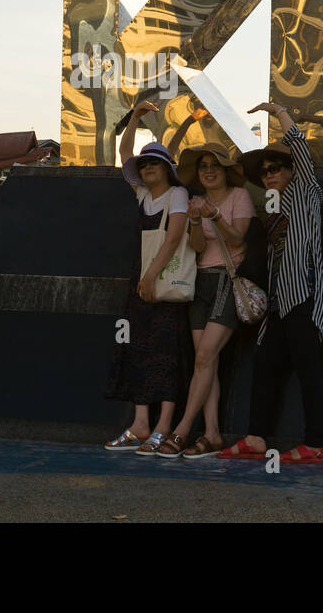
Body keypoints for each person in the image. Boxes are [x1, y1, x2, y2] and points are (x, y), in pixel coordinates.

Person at [219, 102, 323, 464]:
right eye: (263, 172)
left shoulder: (305, 194)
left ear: (290, 170)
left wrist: (279, 111)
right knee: (265, 368)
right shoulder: (275, 208)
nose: (268, 176)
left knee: (309, 371)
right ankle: (254, 437)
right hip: (278, 303)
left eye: (274, 169)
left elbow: (299, 147)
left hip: (304, 296)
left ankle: (315, 443)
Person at [155, 143, 256, 460]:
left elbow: (238, 238)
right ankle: (212, 434)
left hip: (228, 279)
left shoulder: (240, 197)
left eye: (215, 165)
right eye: (203, 166)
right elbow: (197, 247)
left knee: (204, 358)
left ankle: (183, 429)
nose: (209, 170)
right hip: (199, 283)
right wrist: (198, 221)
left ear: (226, 170)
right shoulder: (195, 201)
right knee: (204, 360)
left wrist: (214, 215)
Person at [103, 101, 192, 457]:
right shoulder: (142, 195)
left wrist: (151, 275)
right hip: (140, 282)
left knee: (167, 352)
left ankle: (163, 425)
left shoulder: (178, 194)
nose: (148, 166)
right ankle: (141, 423)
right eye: (145, 163)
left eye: (155, 161)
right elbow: (124, 151)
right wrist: (135, 118)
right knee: (138, 349)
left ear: (168, 168)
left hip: (162, 280)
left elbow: (174, 237)